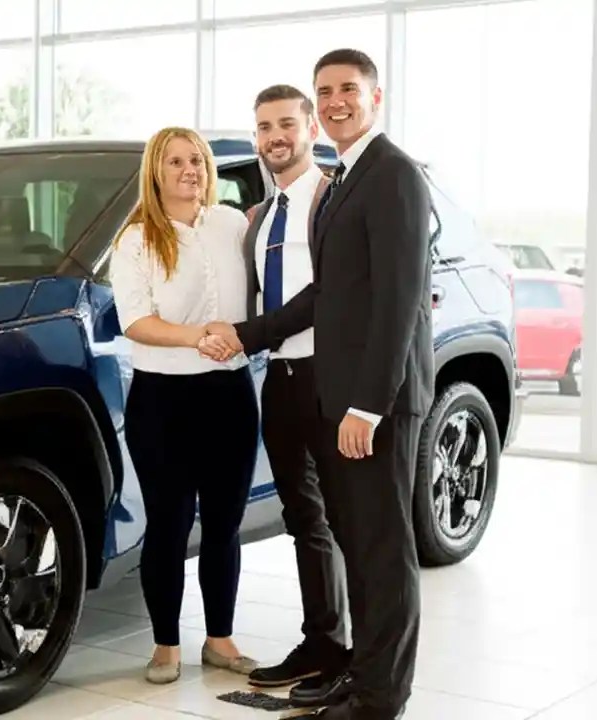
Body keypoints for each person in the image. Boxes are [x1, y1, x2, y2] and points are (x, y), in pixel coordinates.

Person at [204, 50, 433, 719]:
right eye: (325, 89)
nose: (336, 101)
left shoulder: (392, 175)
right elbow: (337, 291)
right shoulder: (350, 179)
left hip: (371, 398)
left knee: (383, 552)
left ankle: (381, 696)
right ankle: (359, 675)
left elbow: (397, 299)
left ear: (375, 96)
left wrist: (366, 405)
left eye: (347, 90)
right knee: (359, 545)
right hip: (335, 389)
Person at [200, 83, 352, 694]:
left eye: (286, 123)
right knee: (304, 518)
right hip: (281, 382)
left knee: (347, 521)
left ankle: (359, 657)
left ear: (310, 127)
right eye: (264, 127)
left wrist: (244, 334)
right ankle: (322, 643)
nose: (275, 137)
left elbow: (325, 298)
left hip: (330, 378)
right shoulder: (259, 219)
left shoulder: (333, 201)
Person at [108, 126, 261, 684]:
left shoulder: (231, 223)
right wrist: (197, 336)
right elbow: (136, 322)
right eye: (175, 162)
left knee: (225, 524)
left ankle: (219, 641)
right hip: (164, 400)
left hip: (230, 396)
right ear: (156, 172)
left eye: (196, 159)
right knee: (169, 527)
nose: (189, 170)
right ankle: (165, 646)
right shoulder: (136, 239)